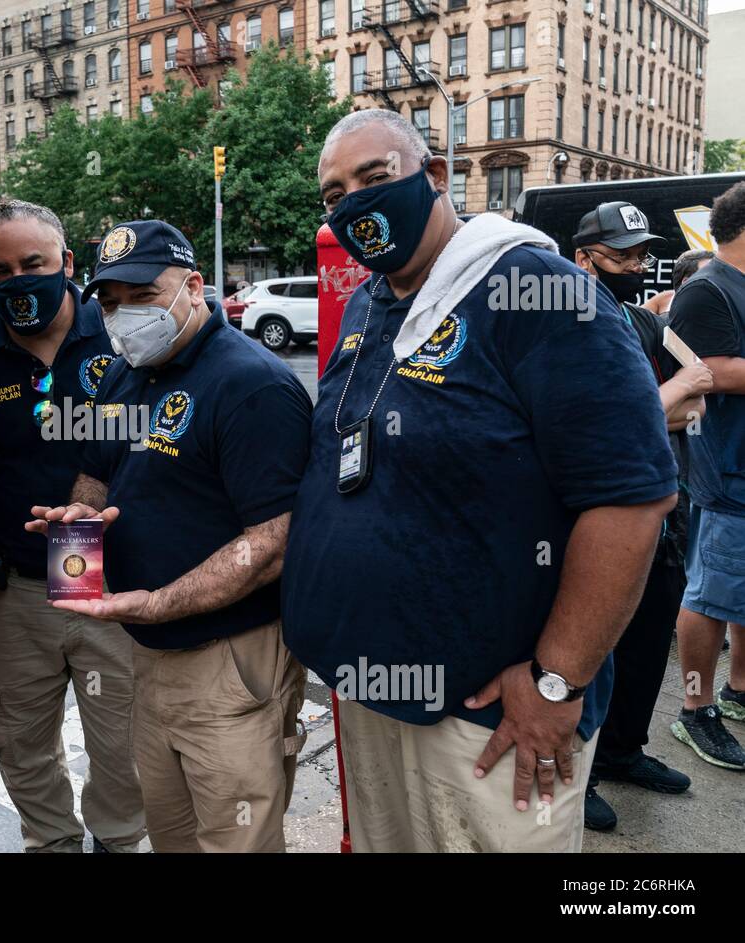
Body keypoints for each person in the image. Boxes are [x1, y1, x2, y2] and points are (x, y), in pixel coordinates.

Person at [281, 109, 677, 852]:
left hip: (488, 721)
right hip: (376, 694)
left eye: (374, 178)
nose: (354, 204)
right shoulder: (374, 299)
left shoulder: (537, 291)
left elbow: (632, 500)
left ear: (434, 177)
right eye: (335, 194)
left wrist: (557, 683)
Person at [28, 219, 313, 853]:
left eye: (142, 295)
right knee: (171, 835)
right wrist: (76, 540)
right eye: (109, 301)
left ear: (193, 286)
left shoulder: (251, 384)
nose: (123, 314)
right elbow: (95, 474)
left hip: (228, 659)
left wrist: (156, 604)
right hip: (145, 655)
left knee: (236, 840)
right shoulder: (124, 374)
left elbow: (272, 542)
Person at [0, 199, 145, 853]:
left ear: (67, 263)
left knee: (125, 743)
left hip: (112, 582)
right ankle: (51, 842)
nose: (18, 279)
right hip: (15, 586)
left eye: (33, 263)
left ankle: (119, 841)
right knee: (18, 739)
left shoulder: (128, 331)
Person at [573, 202, 709, 830]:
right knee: (598, 646)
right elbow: (603, 426)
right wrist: (666, 402)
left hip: (665, 513)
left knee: (650, 641)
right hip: (598, 519)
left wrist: (667, 401)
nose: (635, 266)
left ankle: (626, 751)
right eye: (622, 255)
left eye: (640, 254)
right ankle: (586, 772)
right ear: (584, 260)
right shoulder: (565, 326)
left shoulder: (641, 321)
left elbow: (700, 383)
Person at [664, 181, 745, 770]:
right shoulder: (707, 290)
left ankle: (738, 691)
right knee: (709, 595)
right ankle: (696, 709)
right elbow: (709, 373)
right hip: (725, 472)